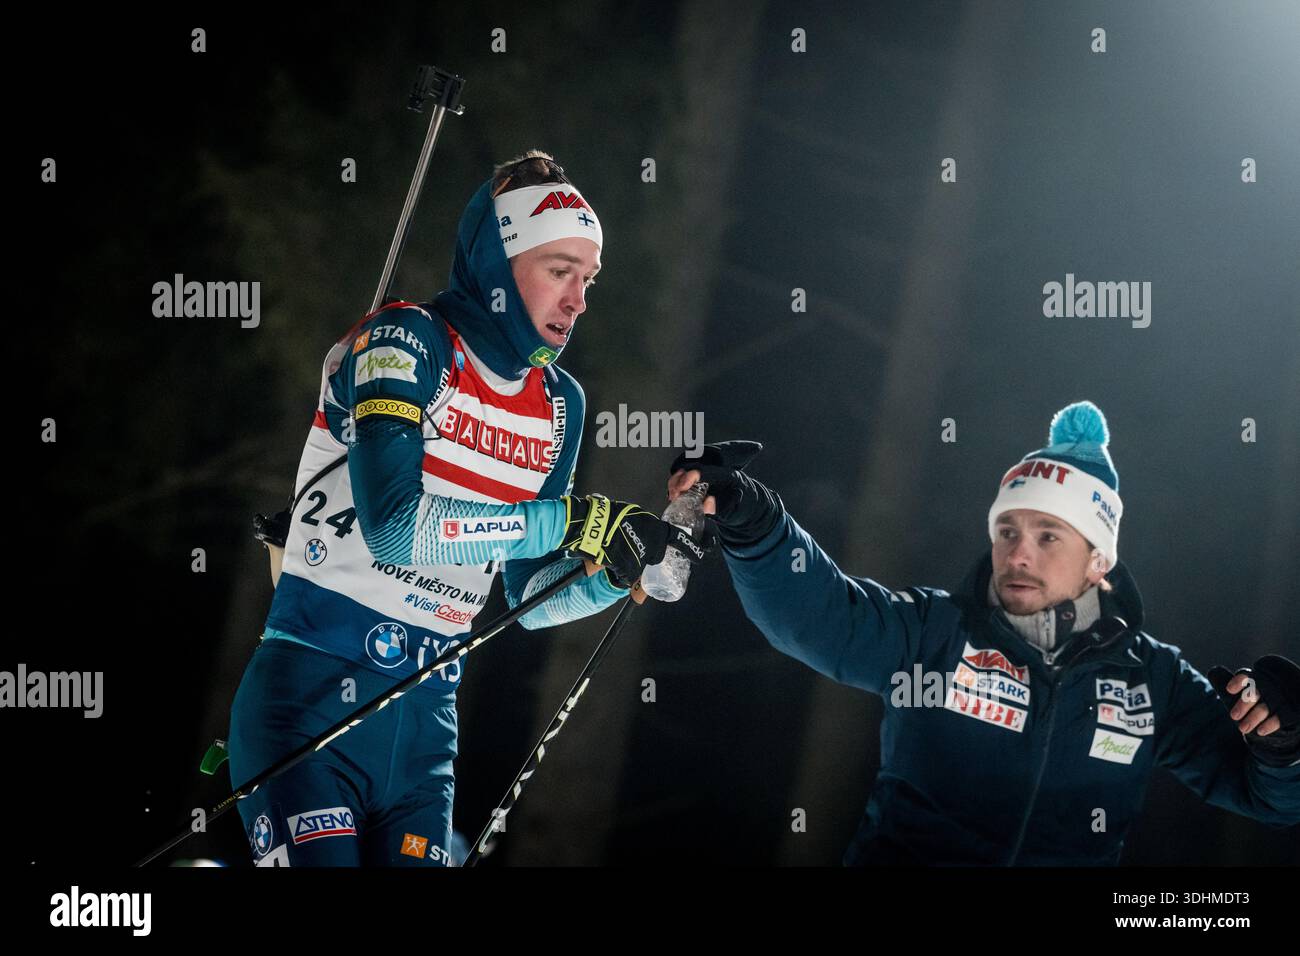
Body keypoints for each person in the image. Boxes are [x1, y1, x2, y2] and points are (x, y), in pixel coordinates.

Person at [229, 150, 698, 866]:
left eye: (588, 279)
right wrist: (571, 522)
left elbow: (530, 602)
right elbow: (393, 530)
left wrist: (607, 573)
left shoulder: (560, 405)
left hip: (426, 729)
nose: (577, 301)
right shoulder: (405, 339)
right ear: (497, 261)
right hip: (313, 699)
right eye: (559, 271)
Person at [667, 402, 1300, 865]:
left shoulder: (1153, 680)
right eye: (1008, 531)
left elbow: (1270, 798)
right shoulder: (936, 632)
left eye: (1048, 536)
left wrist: (1284, 742)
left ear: (1099, 560)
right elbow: (814, 615)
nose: (1019, 553)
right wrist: (753, 517)